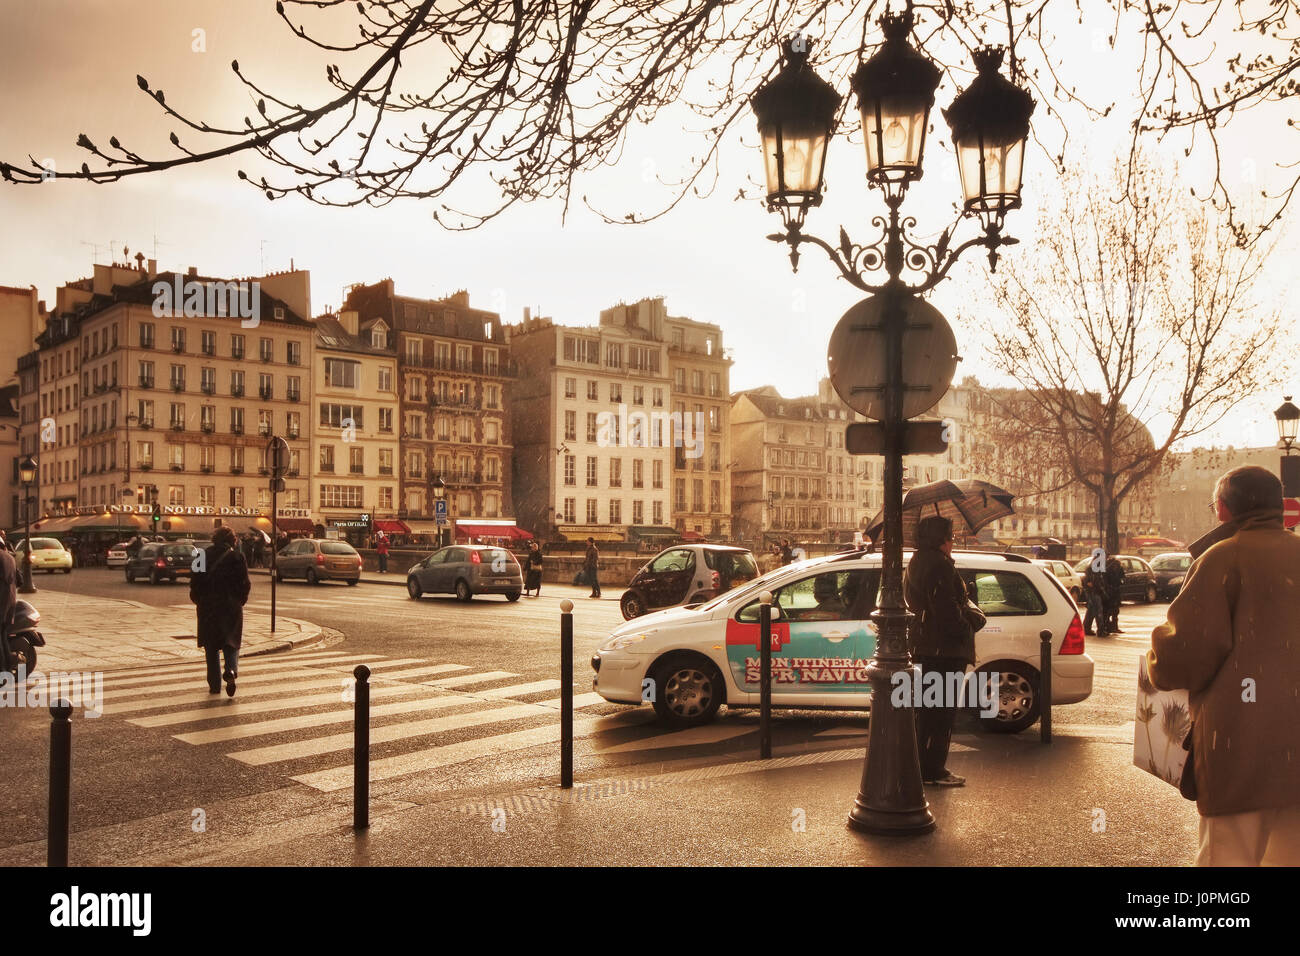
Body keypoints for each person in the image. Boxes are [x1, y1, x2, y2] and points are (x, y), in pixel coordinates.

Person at [1148, 465, 1300, 866]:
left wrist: (1155, 656)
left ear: (1222, 510)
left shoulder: (1222, 558)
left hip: (1240, 745)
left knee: (1228, 857)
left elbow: (1184, 658)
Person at [904, 515, 984, 788]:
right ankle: (934, 770)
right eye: (950, 536)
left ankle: (923, 765)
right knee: (941, 713)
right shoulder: (939, 566)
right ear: (941, 539)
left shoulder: (917, 561)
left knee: (927, 710)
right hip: (944, 651)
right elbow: (947, 613)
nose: (953, 541)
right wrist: (969, 622)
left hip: (927, 646)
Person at [190, 526, 251, 697]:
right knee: (231, 642)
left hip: (208, 605)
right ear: (232, 541)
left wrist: (198, 600)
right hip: (231, 605)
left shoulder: (201, 555)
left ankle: (214, 684)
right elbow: (245, 583)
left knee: (211, 646)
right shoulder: (237, 556)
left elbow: (194, 581)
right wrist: (240, 600)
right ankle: (231, 670)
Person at [1082, 560, 1109, 637]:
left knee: (1091, 610)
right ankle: (1100, 630)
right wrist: (1101, 589)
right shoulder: (1095, 569)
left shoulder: (1091, 568)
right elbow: (1095, 582)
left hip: (1092, 591)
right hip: (1094, 592)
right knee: (1098, 610)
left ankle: (1086, 628)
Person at [1104, 555, 1125, 633]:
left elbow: (1122, 577)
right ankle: (1111, 627)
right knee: (1112, 611)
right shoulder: (1110, 569)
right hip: (1112, 592)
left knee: (1113, 611)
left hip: (1113, 591)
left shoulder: (1109, 568)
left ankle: (1110, 627)